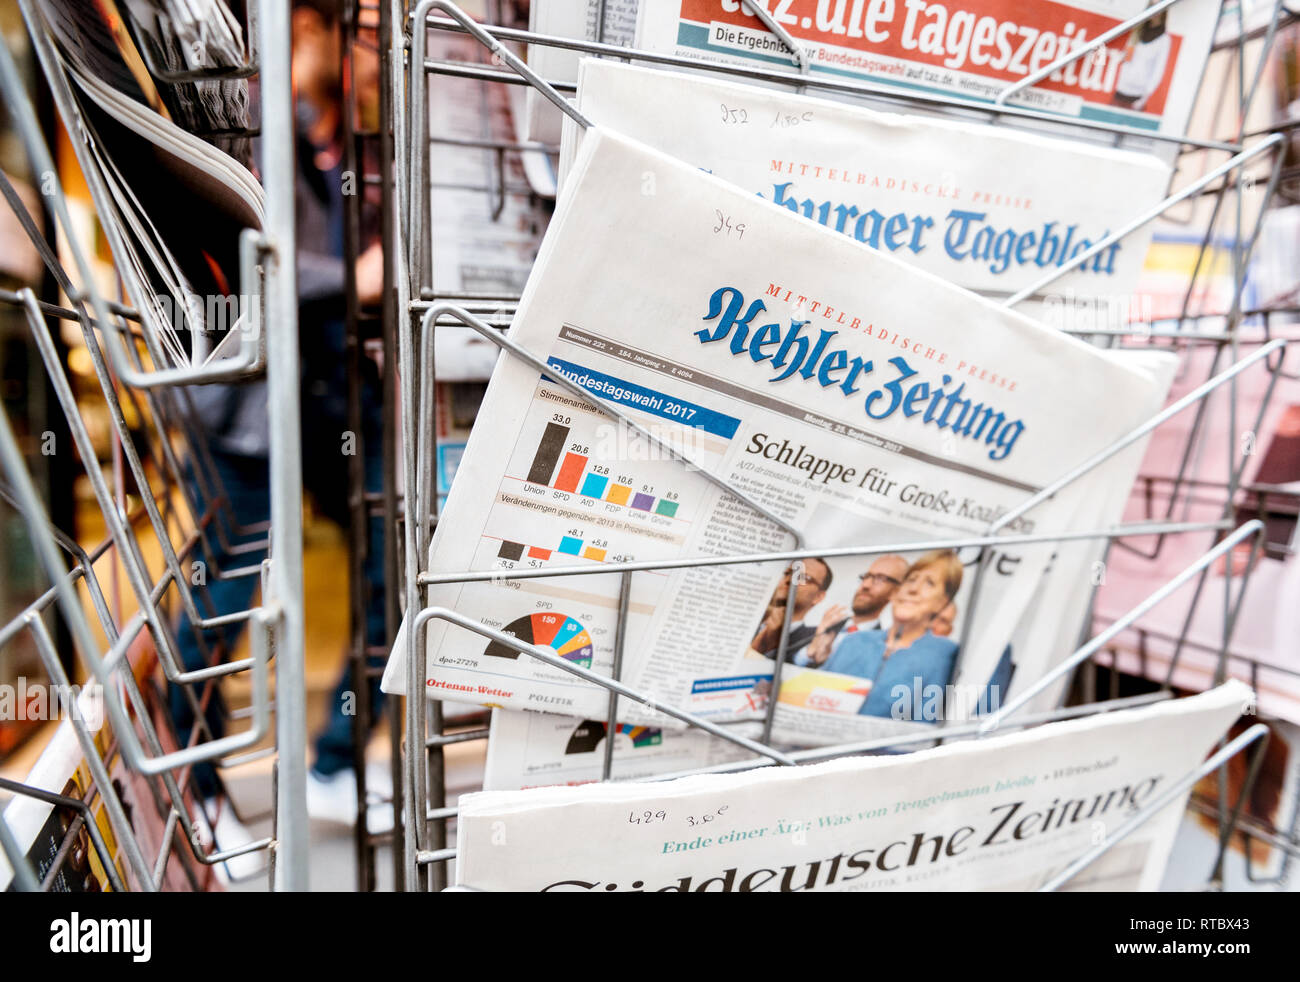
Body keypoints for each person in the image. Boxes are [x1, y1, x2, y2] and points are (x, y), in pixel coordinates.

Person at [168, 0, 389, 875]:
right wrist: (358, 277)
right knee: (223, 594)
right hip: (250, 412)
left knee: (387, 571)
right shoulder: (251, 120)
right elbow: (253, 260)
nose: (380, 58)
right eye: (369, 34)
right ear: (309, 27)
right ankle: (193, 788)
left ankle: (334, 761)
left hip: (336, 400)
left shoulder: (344, 137)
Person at [822, 550, 963, 719]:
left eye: (929, 583)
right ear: (896, 593)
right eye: (911, 579)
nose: (914, 588)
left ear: (942, 603)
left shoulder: (945, 656)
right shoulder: (852, 642)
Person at [799, 554, 908, 667]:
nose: (865, 585)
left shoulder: (883, 649)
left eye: (880, 579)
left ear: (897, 592)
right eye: (866, 576)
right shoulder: (815, 631)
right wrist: (808, 654)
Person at [749, 558, 832, 661]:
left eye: (802, 577)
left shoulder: (814, 641)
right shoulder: (747, 618)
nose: (789, 580)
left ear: (818, 597)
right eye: (788, 573)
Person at [1113, 8, 1171, 112]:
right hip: (1121, 91)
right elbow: (1126, 59)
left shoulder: (1164, 40)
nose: (1155, 13)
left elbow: (1158, 71)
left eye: (1158, 10)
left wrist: (1144, 98)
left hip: (1138, 96)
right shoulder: (1137, 32)